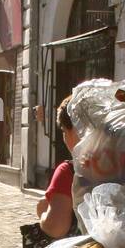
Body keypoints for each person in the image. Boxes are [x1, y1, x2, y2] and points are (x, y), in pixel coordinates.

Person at [36, 96, 79, 240]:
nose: (64, 138)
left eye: (64, 131)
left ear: (74, 130)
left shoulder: (69, 171)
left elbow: (56, 228)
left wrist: (43, 212)